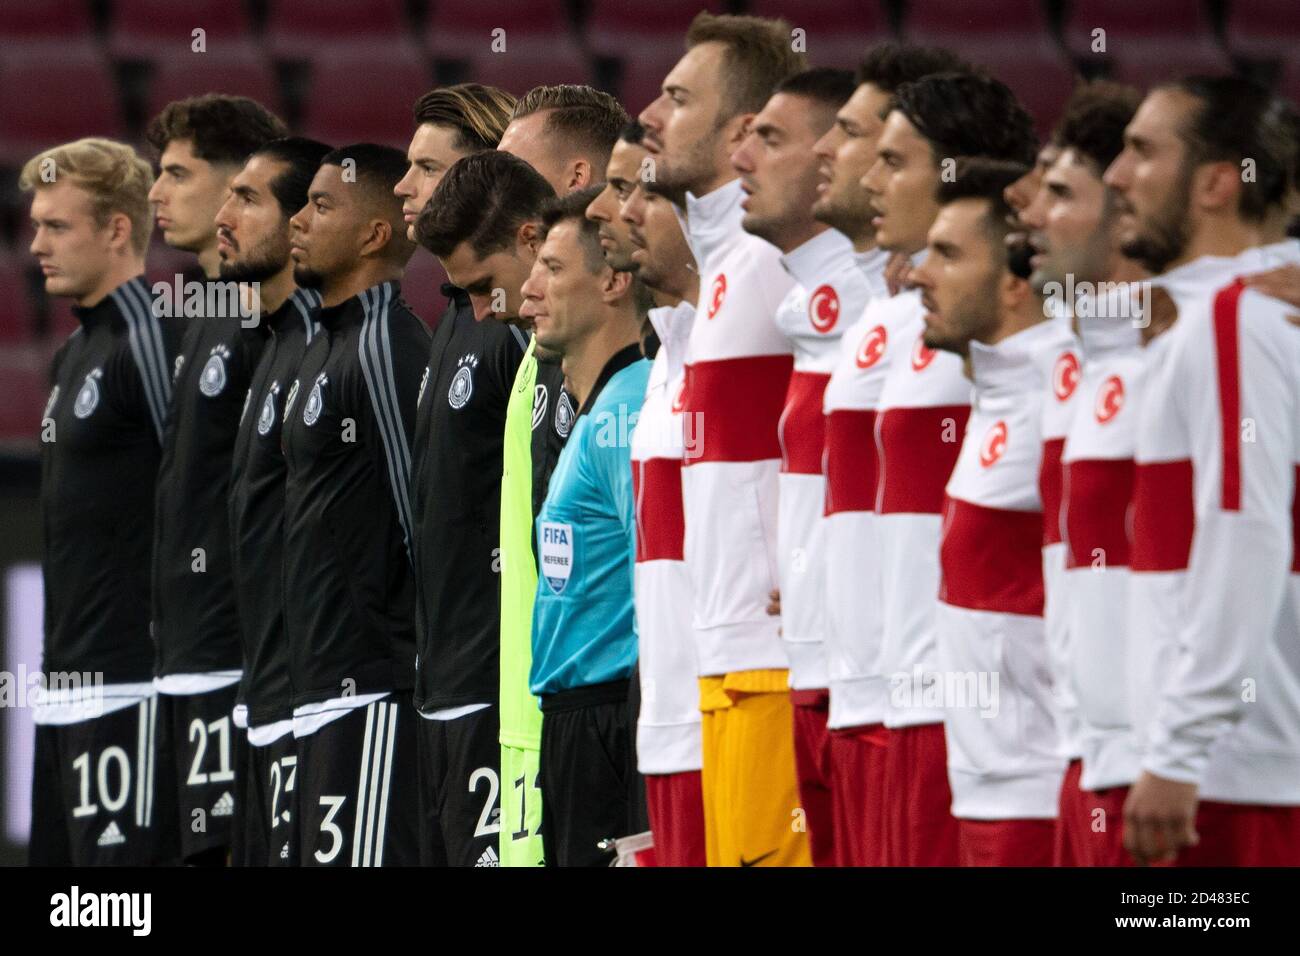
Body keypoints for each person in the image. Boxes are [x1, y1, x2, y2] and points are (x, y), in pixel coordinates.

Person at [1105, 76, 1300, 866]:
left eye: (1143, 151)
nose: (1118, 175)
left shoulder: (1236, 318)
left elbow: (1244, 528)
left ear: (1218, 181)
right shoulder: (1235, 314)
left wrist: (1179, 748)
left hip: (1228, 776)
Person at [638, 10, 809, 869]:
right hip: (722, 668)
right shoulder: (726, 274)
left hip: (770, 666)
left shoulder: (776, 261)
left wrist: (811, 572)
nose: (649, 116)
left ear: (741, 127)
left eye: (676, 97)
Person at [860, 69, 1037, 865]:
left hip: (976, 726)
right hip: (899, 700)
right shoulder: (909, 321)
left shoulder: (1030, 341)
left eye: (895, 161)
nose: (869, 178)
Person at [813, 41, 966, 867]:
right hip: (863, 692)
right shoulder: (881, 314)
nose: (847, 164)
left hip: (951, 705)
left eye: (877, 147)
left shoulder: (1014, 306)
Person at [22, 138, 182, 866]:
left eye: (57, 226)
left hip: (130, 681)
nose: (35, 246)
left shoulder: (150, 335)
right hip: (63, 687)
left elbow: (192, 493)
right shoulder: (71, 354)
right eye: (35, 225)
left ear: (118, 229)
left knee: (119, 906)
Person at [911, 158, 1074, 866]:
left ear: (1015, 280)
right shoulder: (999, 396)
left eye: (947, 255)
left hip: (1034, 799)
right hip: (978, 785)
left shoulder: (1057, 399)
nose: (919, 274)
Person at [144, 93, 287, 864]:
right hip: (187, 652)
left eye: (177, 175)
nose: (157, 196)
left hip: (238, 656)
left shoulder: (266, 321)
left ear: (239, 186)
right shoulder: (201, 314)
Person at [281, 144, 429, 866]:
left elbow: (419, 521)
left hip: (369, 691)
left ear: (375, 235)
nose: (297, 221)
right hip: (316, 688)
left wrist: (398, 666)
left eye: (320, 206)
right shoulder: (326, 343)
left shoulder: (384, 346)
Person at [731, 66, 865, 866]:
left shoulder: (892, 306)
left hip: (877, 690)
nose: (743, 158)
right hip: (815, 672)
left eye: (769, 138)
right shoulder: (813, 303)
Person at [491, 89, 625, 866]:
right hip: (531, 714)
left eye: (512, 169)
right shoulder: (533, 366)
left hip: (607, 715)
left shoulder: (637, 384)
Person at [1018, 82, 1145, 867]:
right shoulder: (1068, 358)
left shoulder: (1196, 353)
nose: (1031, 215)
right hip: (1080, 758)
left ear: (1126, 209)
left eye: (1060, 195)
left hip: (1167, 776)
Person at [397, 85, 521, 869]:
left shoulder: (515, 326)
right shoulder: (448, 324)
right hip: (439, 680)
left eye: (426, 168)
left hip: (497, 684)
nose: (405, 186)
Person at [520, 188, 652, 865]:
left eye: (551, 267)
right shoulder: (598, 412)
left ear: (612, 280)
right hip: (576, 719)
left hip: (615, 720)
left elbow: (661, 581)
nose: (528, 291)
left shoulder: (633, 410)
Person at [222, 136, 332, 866]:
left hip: (317, 698)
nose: (224, 214)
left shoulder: (340, 349)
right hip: (263, 695)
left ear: (299, 226)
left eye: (248, 197)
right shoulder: (267, 345)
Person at [619, 140, 705, 865]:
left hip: (731, 710)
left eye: (641, 193)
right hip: (669, 721)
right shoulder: (664, 361)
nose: (619, 215)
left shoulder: (745, 340)